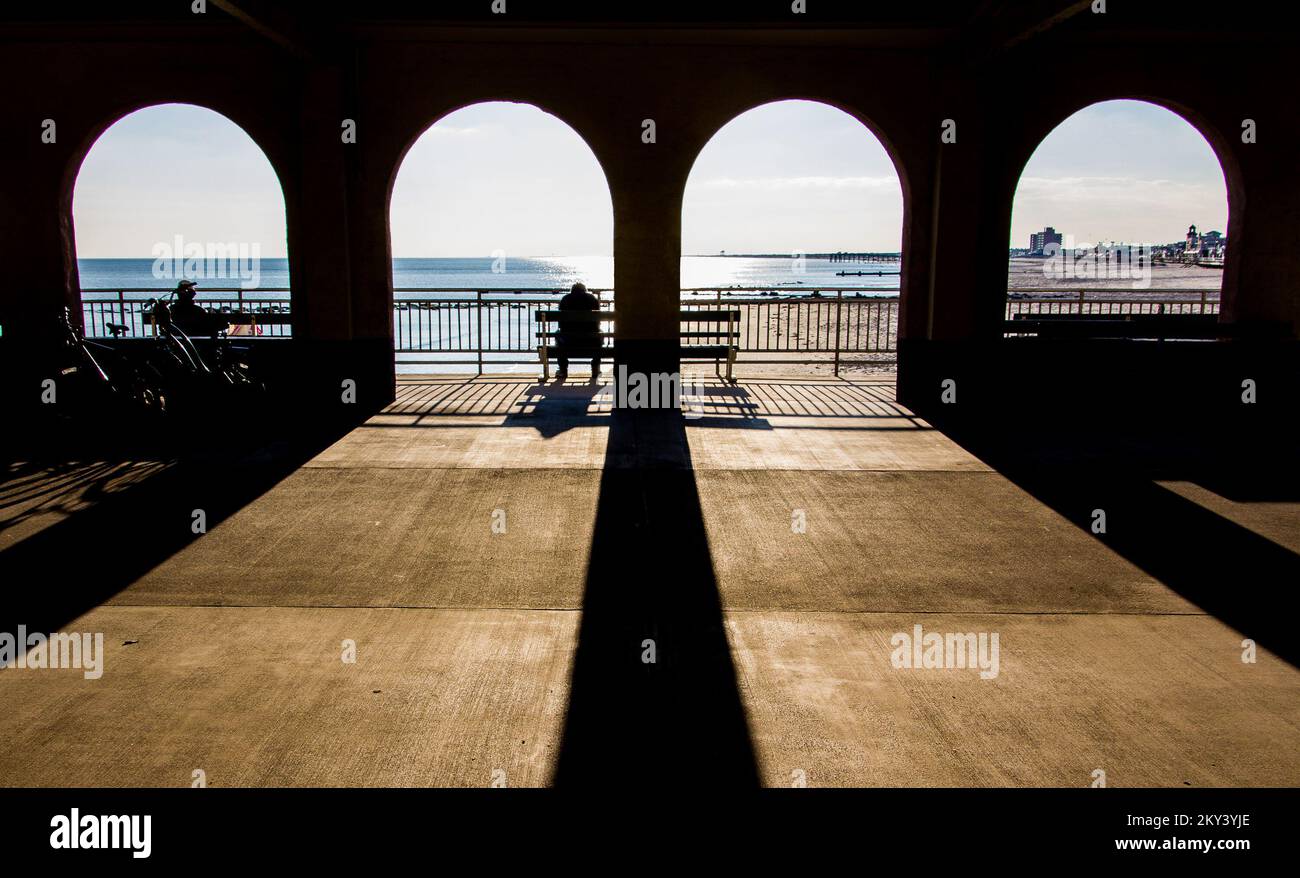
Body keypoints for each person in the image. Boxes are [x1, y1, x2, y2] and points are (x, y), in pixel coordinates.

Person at [555, 281, 601, 381]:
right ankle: (595, 368)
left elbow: (561, 324)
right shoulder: (592, 299)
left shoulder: (565, 299)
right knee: (600, 334)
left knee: (557, 334)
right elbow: (598, 321)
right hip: (591, 341)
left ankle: (563, 369)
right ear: (584, 290)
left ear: (572, 290)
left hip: (569, 341)